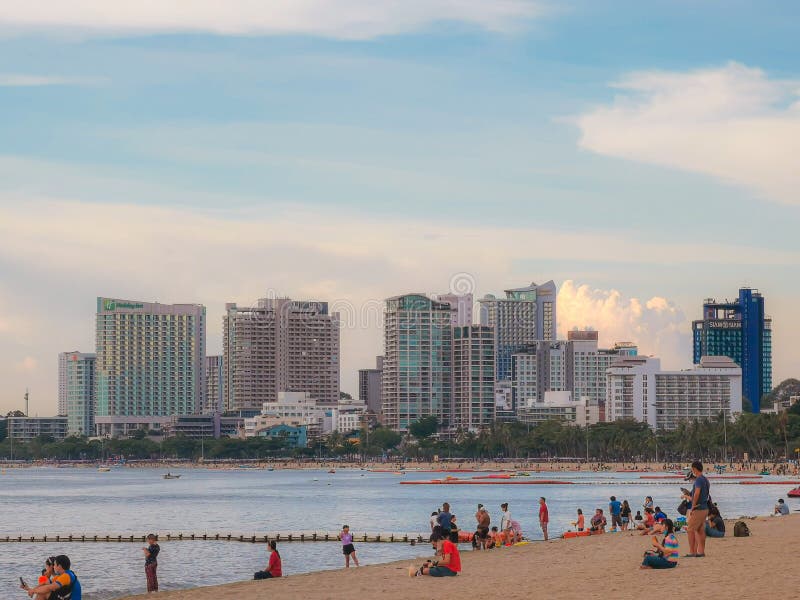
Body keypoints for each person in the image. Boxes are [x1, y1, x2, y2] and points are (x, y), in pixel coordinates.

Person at [683, 460, 710, 557]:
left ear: (694, 469)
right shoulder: (705, 479)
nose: (692, 471)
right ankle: (701, 551)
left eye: (692, 469)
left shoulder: (698, 480)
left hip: (699, 508)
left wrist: (693, 506)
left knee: (690, 529)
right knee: (700, 530)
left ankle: (692, 552)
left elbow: (697, 493)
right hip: (705, 508)